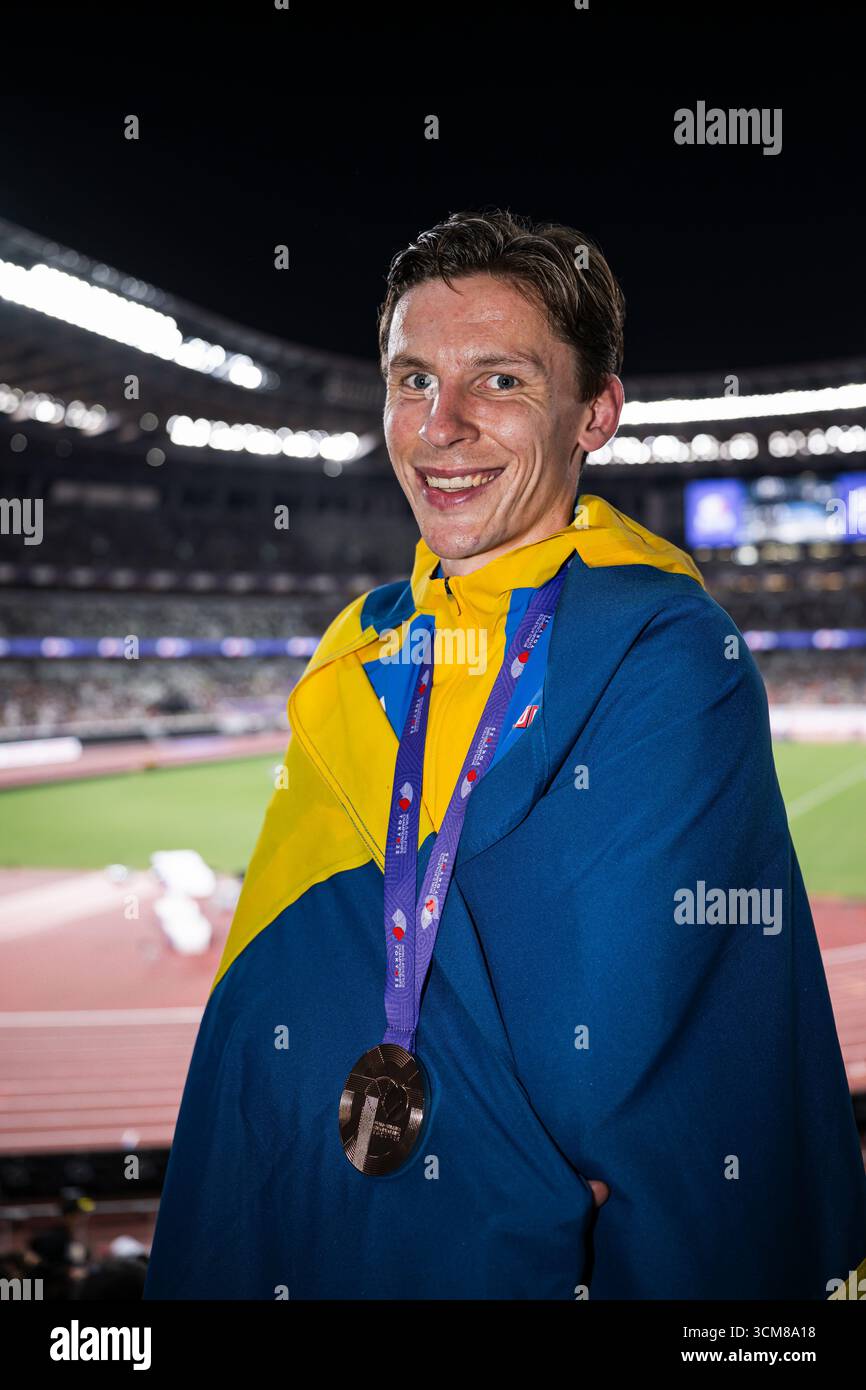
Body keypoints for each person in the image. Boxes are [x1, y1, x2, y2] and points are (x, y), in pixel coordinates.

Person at [144, 209, 866, 1300]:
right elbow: (277, 985)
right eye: (411, 380)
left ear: (595, 414)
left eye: (501, 382)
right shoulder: (358, 644)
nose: (440, 428)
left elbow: (659, 1070)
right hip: (324, 1234)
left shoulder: (663, 651)